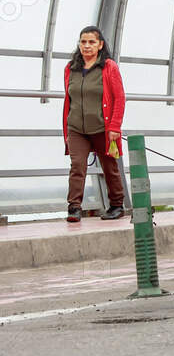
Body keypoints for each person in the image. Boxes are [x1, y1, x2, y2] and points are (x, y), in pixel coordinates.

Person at [62, 25, 127, 222]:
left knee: (110, 167)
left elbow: (119, 98)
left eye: (91, 42)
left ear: (100, 45)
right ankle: (74, 207)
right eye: (83, 42)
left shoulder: (108, 67)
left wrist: (114, 127)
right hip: (76, 128)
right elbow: (69, 99)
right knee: (77, 166)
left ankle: (116, 205)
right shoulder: (70, 68)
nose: (87, 46)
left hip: (103, 128)